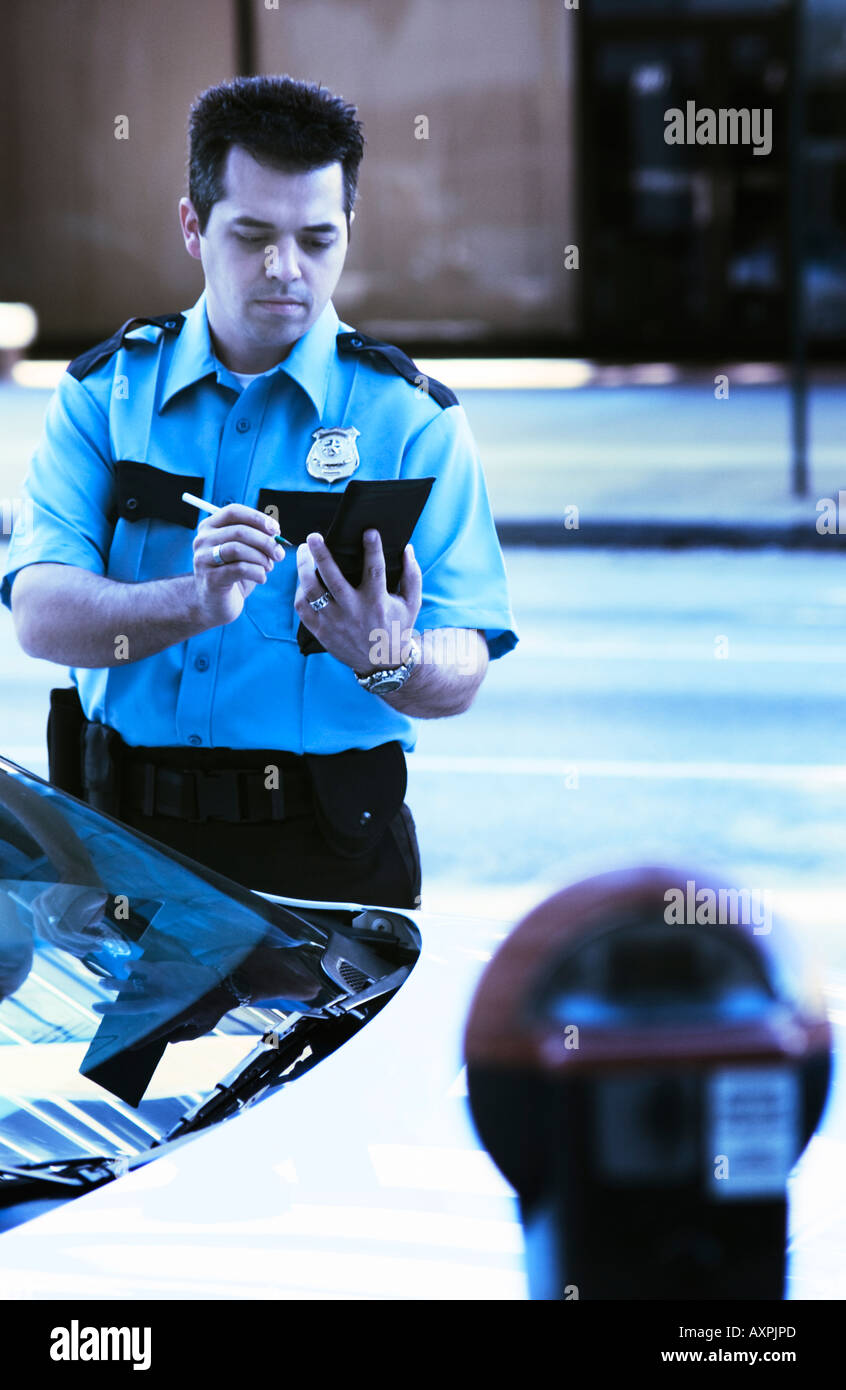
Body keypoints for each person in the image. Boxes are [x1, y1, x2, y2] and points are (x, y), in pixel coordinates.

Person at [2, 75, 518, 910]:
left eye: (318, 239)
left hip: (327, 853)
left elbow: (464, 659)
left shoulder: (411, 420)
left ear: (350, 231)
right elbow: (39, 615)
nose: (285, 269)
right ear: (191, 226)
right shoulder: (107, 394)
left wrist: (387, 658)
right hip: (122, 844)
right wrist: (191, 603)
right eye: (251, 236)